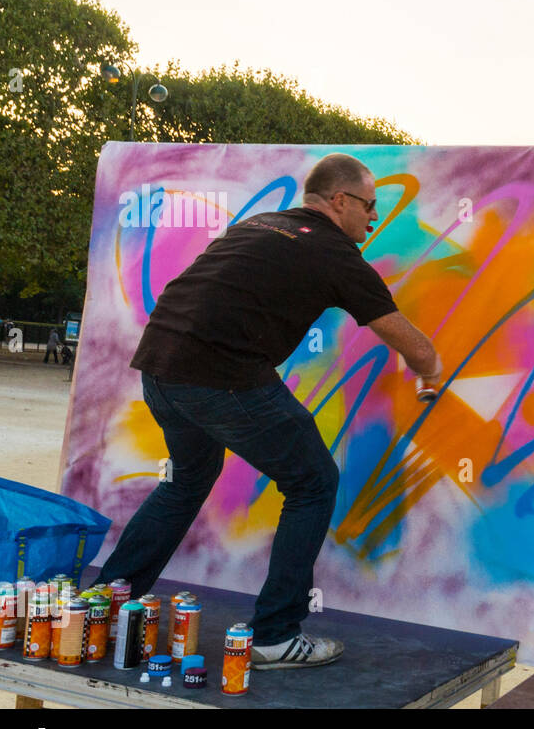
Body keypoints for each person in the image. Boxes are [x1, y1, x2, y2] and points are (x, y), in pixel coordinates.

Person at [93, 153, 442, 670]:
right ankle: (274, 635)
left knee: (187, 480)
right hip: (221, 378)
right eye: (369, 207)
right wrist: (432, 373)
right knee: (314, 481)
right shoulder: (335, 253)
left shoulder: (261, 224)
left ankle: (104, 604)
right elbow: (414, 347)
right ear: (339, 201)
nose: (373, 218)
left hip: (160, 367)